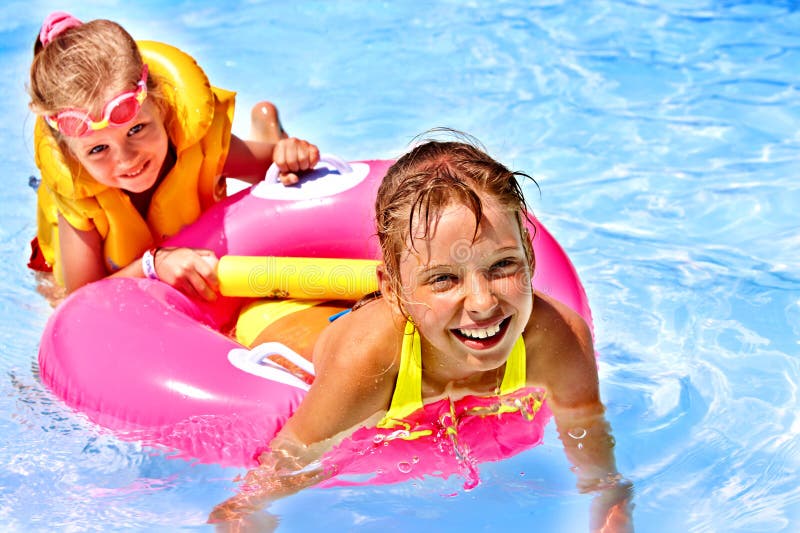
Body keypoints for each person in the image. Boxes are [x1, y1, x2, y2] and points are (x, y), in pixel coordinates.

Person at [209, 134, 634, 531]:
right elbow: (282, 469)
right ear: (391, 289)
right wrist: (244, 513)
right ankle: (270, 133)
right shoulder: (370, 360)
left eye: (503, 265)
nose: (483, 303)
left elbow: (592, 449)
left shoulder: (558, 338)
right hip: (279, 325)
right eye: (444, 278)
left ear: (530, 258)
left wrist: (612, 512)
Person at [27, 12, 320, 300]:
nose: (127, 159)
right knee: (50, 299)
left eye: (137, 129)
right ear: (73, 155)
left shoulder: (196, 145)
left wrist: (288, 154)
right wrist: (152, 265)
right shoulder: (81, 198)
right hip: (118, 274)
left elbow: (267, 171)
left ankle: (268, 131)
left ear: (162, 108)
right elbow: (82, 300)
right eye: (98, 149)